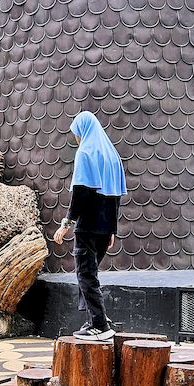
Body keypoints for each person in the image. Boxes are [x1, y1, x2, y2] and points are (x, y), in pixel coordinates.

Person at [52, 111, 127, 341]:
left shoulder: (85, 153)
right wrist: (111, 229)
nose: (76, 138)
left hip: (87, 228)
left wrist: (66, 224)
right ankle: (95, 319)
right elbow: (116, 197)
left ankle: (99, 325)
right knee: (90, 275)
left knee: (86, 275)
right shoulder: (112, 155)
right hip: (105, 229)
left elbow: (80, 193)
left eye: (77, 133)